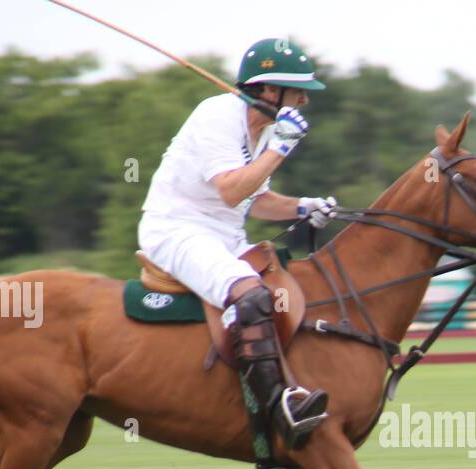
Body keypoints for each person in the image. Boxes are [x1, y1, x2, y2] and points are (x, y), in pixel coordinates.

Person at [138, 37, 335, 446]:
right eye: (297, 90)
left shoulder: (263, 130)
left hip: (226, 236)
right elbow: (231, 190)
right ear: (267, 89)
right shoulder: (217, 115)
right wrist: (280, 148)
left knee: (288, 282)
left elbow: (255, 200)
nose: (303, 100)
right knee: (250, 295)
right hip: (177, 230)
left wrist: (302, 207)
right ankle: (280, 405)